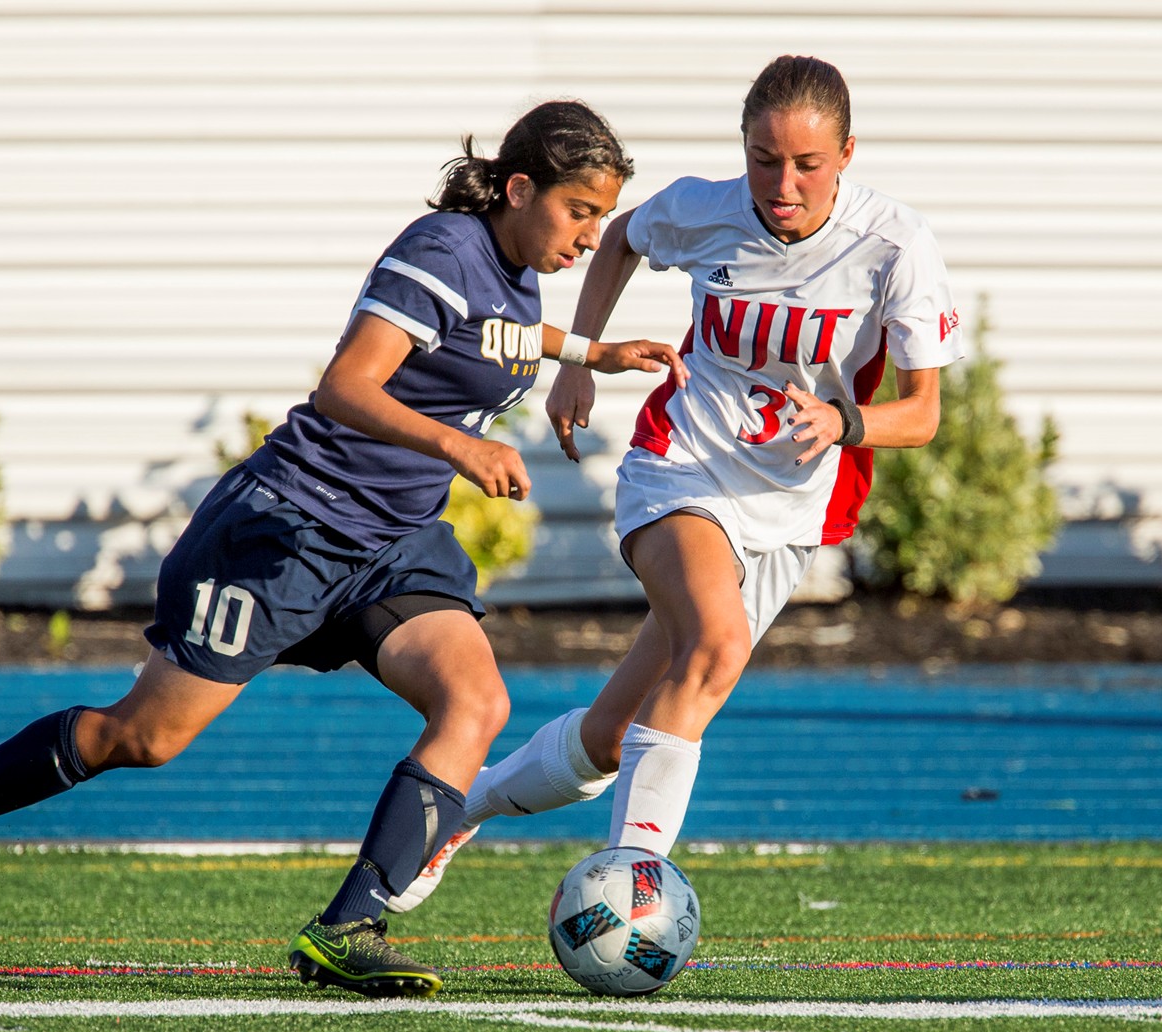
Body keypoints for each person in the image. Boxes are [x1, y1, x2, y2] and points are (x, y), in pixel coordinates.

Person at [0, 100, 683, 998]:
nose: (591, 236)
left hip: (392, 541)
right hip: (291, 525)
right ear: (520, 189)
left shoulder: (518, 273)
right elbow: (344, 387)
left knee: (476, 700)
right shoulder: (443, 250)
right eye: (580, 212)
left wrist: (594, 353)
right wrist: (460, 445)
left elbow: (497, 337)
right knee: (142, 737)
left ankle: (347, 926)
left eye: (602, 217)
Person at [387, 55, 964, 913]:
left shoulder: (895, 244)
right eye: (764, 158)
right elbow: (620, 237)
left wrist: (846, 422)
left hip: (788, 510)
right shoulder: (705, 208)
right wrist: (580, 359)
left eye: (808, 163)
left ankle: (457, 811)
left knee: (613, 739)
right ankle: (629, 886)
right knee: (718, 645)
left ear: (847, 154)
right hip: (681, 466)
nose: (783, 183)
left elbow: (921, 413)